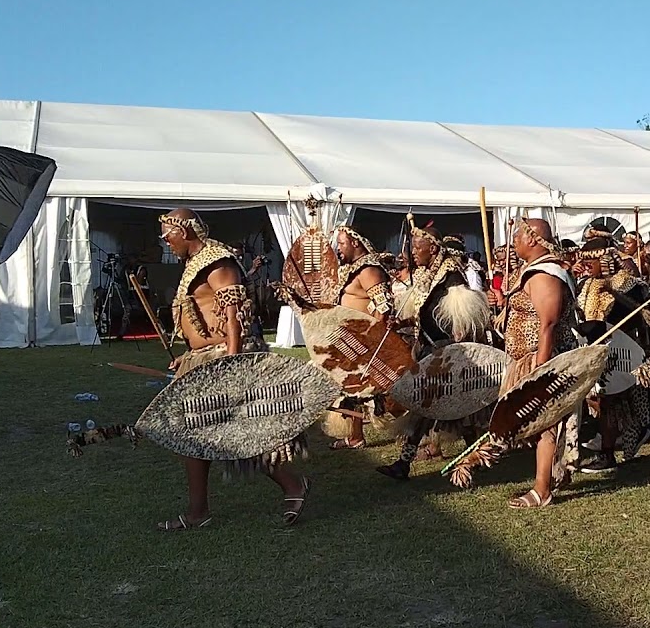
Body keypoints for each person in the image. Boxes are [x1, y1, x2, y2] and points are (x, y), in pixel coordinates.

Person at [156, 209, 310, 530]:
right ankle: (199, 512)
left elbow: (233, 313)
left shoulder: (217, 261)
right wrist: (187, 356)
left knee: (246, 433)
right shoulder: (195, 264)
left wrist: (231, 361)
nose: (165, 242)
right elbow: (201, 316)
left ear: (184, 232)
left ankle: (293, 485)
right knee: (195, 435)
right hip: (204, 360)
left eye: (167, 235)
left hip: (227, 360)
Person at [456, 217, 578, 506]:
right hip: (525, 359)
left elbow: (547, 324)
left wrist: (540, 371)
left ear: (533, 239)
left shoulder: (546, 274)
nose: (514, 243)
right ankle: (551, 478)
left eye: (518, 237)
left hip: (543, 360)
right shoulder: (533, 272)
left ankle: (542, 490)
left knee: (546, 422)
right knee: (532, 423)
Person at [377, 225, 490, 478]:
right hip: (432, 352)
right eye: (413, 247)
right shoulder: (430, 276)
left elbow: (463, 322)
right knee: (438, 409)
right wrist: (403, 322)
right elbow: (424, 314)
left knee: (447, 409)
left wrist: (454, 352)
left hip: (447, 356)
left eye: (418, 247)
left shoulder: (451, 277)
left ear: (434, 248)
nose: (413, 253)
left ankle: (471, 456)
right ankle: (406, 464)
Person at [574, 235, 650, 472]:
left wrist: (614, 292)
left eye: (592, 261)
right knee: (605, 402)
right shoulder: (586, 284)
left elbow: (645, 312)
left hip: (624, 350)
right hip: (596, 347)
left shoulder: (629, 283)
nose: (587, 266)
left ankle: (612, 451)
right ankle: (610, 450)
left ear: (606, 260)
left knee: (616, 402)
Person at [324, 225, 396, 450]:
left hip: (364, 344)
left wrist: (371, 341)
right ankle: (355, 437)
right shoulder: (356, 269)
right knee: (352, 391)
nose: (339, 248)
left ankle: (416, 431)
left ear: (355, 243)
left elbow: (384, 307)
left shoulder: (369, 270)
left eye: (342, 243)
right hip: (350, 342)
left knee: (383, 394)